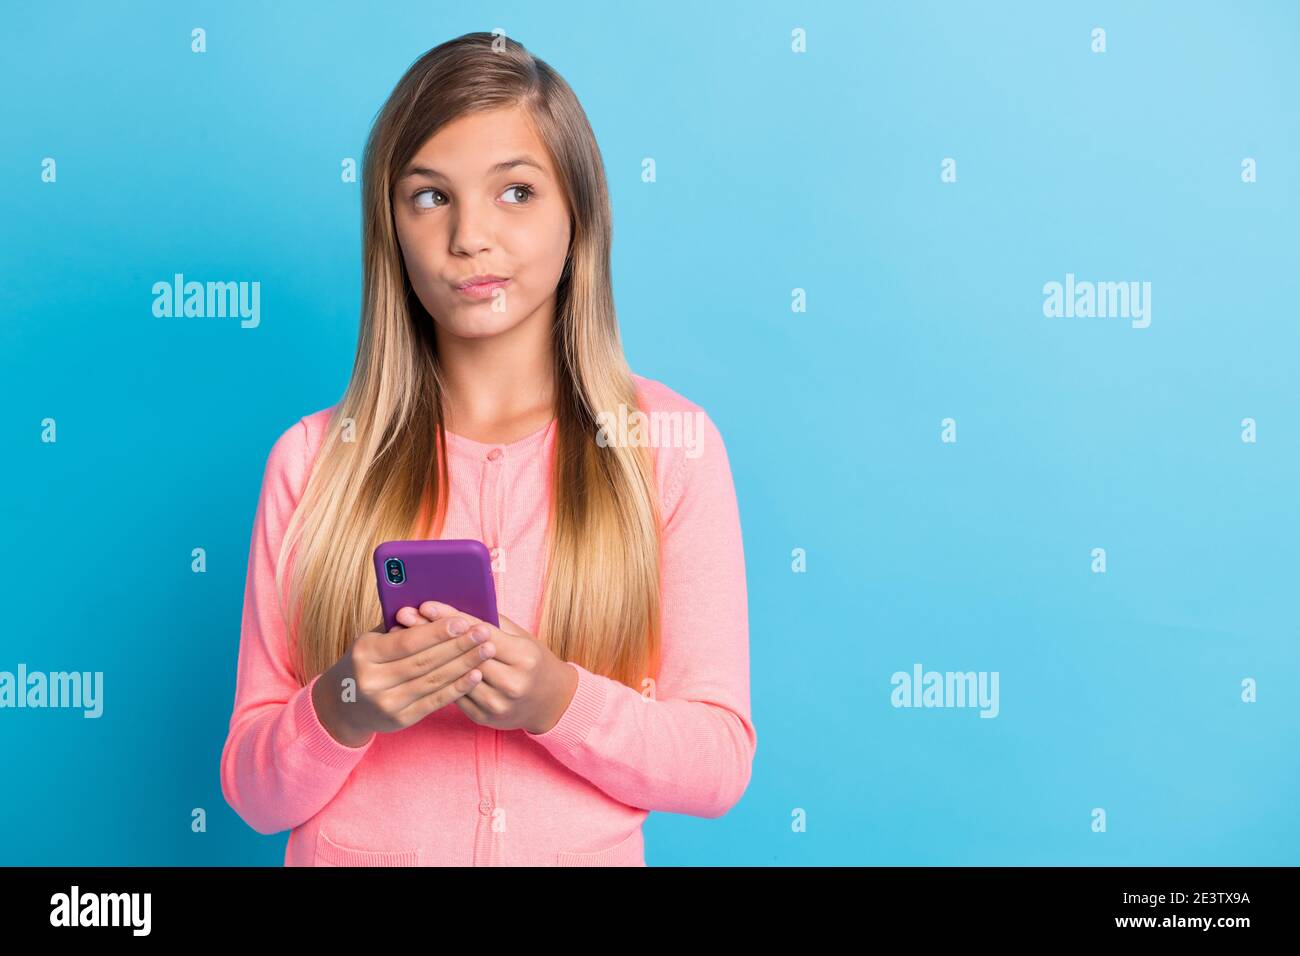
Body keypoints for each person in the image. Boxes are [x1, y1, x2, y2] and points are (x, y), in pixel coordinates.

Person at [219, 31, 755, 866]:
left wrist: (558, 700)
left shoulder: (668, 449)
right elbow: (253, 794)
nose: (470, 236)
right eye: (430, 198)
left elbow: (718, 765)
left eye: (515, 191)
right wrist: (348, 702)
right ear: (388, 228)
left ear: (579, 214)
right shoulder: (313, 460)